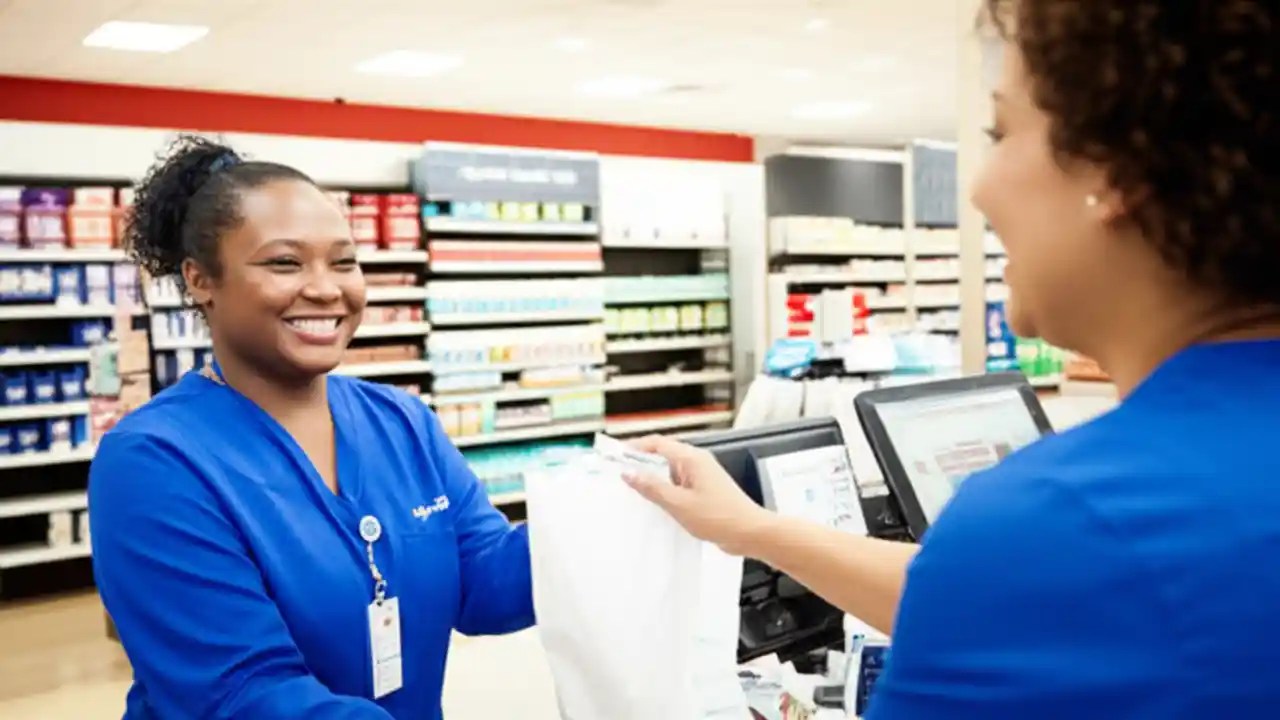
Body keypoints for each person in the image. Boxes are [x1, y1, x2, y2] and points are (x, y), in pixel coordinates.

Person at [627, 1, 1280, 717]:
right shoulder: (1114, 538)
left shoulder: (1069, 519)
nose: (978, 187)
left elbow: (1036, 576)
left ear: (1120, 172)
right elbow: (1024, 599)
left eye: (1002, 132)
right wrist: (752, 529)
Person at [88, 136, 534, 719]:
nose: (326, 288)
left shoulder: (401, 422)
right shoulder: (154, 461)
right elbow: (243, 695)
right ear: (200, 280)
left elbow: (486, 584)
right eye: (284, 262)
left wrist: (617, 508)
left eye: (344, 261)